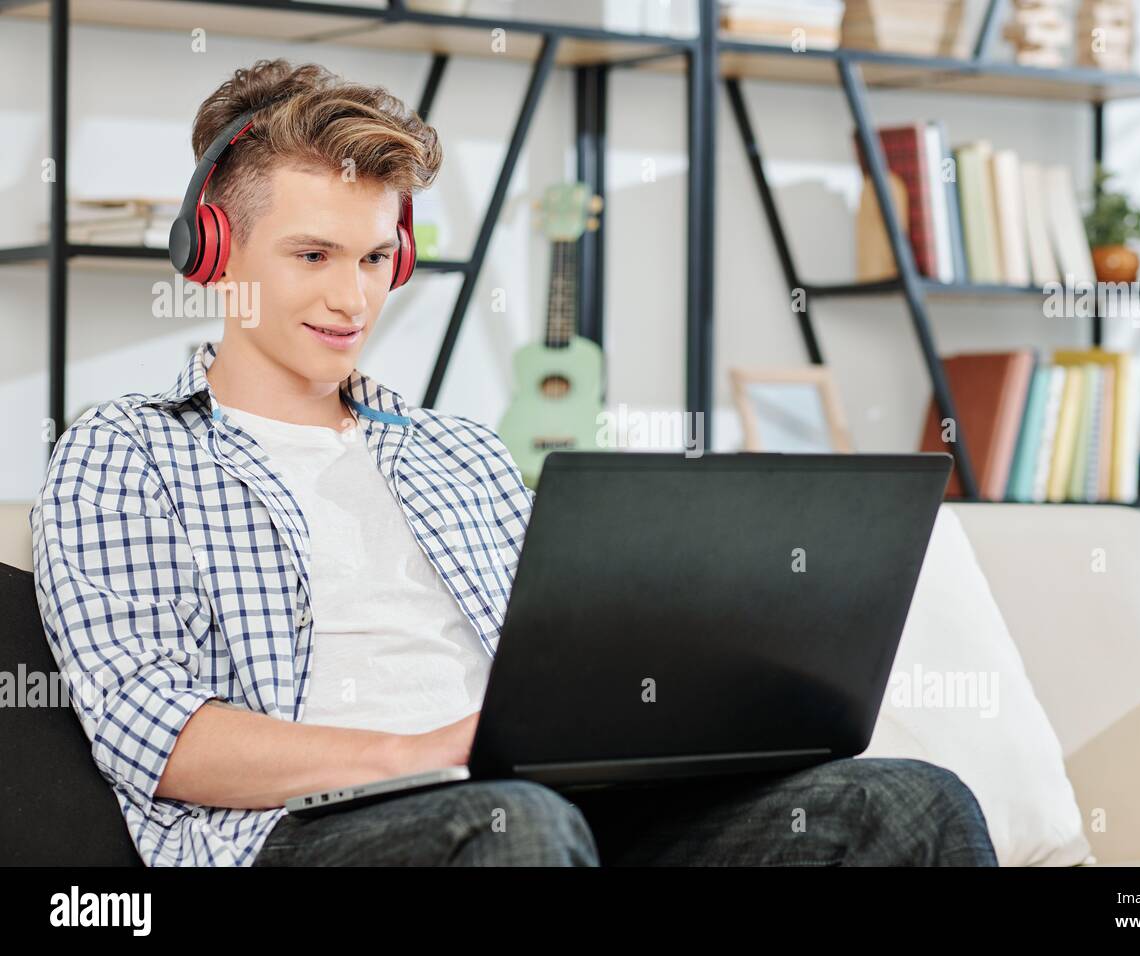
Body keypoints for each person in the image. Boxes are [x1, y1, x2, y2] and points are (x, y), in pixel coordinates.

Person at [30, 58, 997, 867]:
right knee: (518, 828)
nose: (353, 298)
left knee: (910, 806)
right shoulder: (124, 455)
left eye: (374, 259)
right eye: (313, 255)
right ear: (214, 252)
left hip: (554, 810)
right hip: (304, 835)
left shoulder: (462, 452)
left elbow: (569, 666)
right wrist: (424, 753)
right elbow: (154, 732)